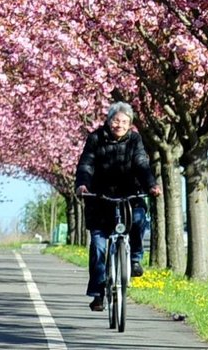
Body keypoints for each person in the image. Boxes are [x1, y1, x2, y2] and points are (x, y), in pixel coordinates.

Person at [76, 101, 158, 311]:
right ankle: (97, 293)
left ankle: (136, 259)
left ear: (130, 124)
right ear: (108, 120)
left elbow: (141, 163)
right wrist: (83, 184)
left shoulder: (135, 139)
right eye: (116, 121)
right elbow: (86, 163)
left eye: (124, 122)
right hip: (101, 198)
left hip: (130, 195)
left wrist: (151, 185)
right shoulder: (95, 138)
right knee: (98, 247)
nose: (119, 125)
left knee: (139, 220)